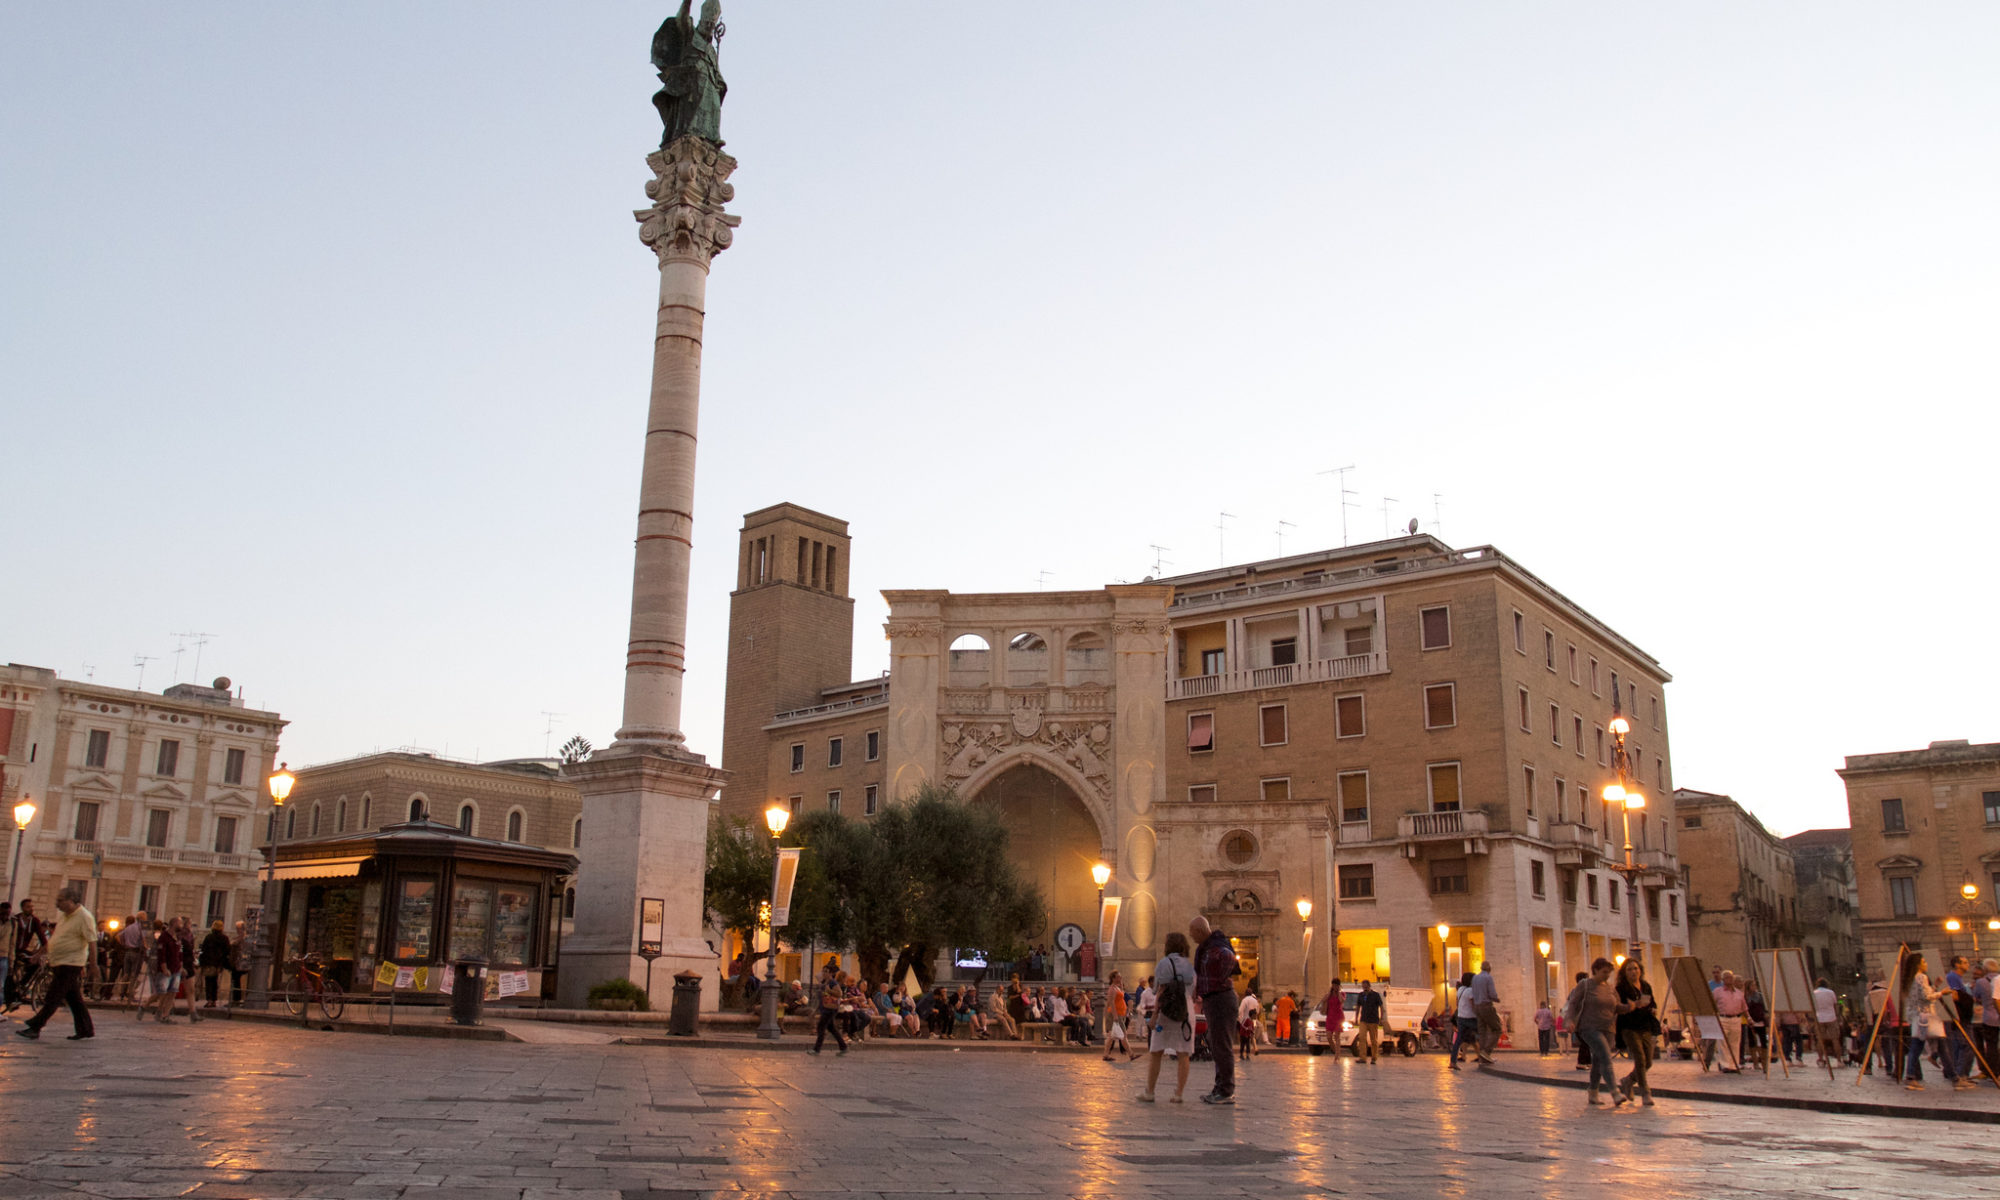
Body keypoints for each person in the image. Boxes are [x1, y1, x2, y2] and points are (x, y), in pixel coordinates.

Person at [14, 887, 96, 1041]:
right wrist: (39, 954)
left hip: (71, 963)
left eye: (60, 900)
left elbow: (92, 942)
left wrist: (93, 965)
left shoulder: (84, 917)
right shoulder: (65, 916)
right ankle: (86, 1029)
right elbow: (55, 939)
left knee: (53, 995)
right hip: (59, 962)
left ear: (71, 901)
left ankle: (35, 1027)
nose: (57, 904)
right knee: (74, 999)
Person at [1137, 931, 1196, 1104]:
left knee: (1156, 1051)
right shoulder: (1189, 965)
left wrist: (1154, 1015)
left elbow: (1159, 991)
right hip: (1185, 1011)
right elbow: (1193, 991)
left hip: (1166, 1011)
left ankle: (1150, 1091)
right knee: (1183, 1053)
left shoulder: (1164, 963)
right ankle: (1178, 1094)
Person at [1190, 915, 1240, 1105]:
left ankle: (1226, 1090)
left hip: (1221, 999)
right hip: (1214, 999)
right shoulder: (1207, 947)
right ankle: (1220, 1088)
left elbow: (1229, 958)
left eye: (1193, 932)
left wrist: (1219, 980)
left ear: (1201, 931)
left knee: (1222, 1045)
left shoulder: (1216, 947)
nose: (1191, 936)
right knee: (1215, 1043)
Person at [1564, 958, 1623, 1108]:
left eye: (1609, 973)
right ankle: (1615, 1092)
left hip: (1608, 1028)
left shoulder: (1610, 988)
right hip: (1589, 1027)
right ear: (1595, 970)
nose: (1607, 975)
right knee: (1605, 1056)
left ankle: (1593, 1092)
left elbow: (1617, 1007)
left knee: (1597, 1061)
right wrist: (1569, 1020)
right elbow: (1573, 1003)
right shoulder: (1585, 985)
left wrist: (1633, 1006)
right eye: (1604, 972)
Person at [1899, 952, 1955, 1090]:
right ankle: (1954, 1077)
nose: (1926, 964)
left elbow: (1922, 995)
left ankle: (1954, 1077)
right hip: (1925, 1017)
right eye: (1924, 962)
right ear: (1918, 964)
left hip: (1917, 1016)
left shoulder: (1911, 979)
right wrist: (1942, 992)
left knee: (1924, 1046)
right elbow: (1926, 997)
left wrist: (1935, 987)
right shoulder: (1921, 977)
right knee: (1921, 1046)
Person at [1614, 958, 1659, 1107]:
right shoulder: (1621, 988)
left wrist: (1652, 1008)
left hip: (1645, 1025)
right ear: (1624, 973)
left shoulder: (1645, 986)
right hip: (1629, 1026)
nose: (1634, 972)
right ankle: (1645, 1093)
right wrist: (1631, 1006)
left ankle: (1628, 1080)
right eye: (1630, 969)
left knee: (1648, 1062)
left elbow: (1652, 1002)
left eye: (1636, 968)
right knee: (1640, 1058)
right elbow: (1617, 1006)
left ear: (1640, 970)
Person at [1942, 956, 1978, 1087]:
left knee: (1966, 1046)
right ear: (1957, 965)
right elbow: (1954, 996)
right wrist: (1968, 998)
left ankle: (1963, 1075)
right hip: (1960, 1018)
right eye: (1964, 962)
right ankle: (1960, 1075)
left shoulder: (1958, 978)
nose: (1968, 964)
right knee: (1967, 1045)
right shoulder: (1953, 977)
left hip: (1964, 1017)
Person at [809, 966, 849, 1056]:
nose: (824, 973)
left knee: (821, 1027)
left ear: (831, 973)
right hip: (825, 1008)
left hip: (830, 1009)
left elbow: (839, 993)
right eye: (823, 971)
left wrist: (829, 991)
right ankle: (843, 1047)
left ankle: (816, 1049)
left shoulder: (832, 983)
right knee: (832, 1028)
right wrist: (816, 1010)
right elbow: (822, 998)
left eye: (826, 971)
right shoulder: (824, 982)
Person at [1713, 971, 1748, 1072]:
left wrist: (1749, 1018)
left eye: (1731, 977)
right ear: (1723, 980)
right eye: (1727, 977)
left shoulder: (1739, 993)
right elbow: (1712, 1003)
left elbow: (1744, 1007)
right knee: (1723, 1042)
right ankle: (1725, 1064)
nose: (1730, 979)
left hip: (1736, 1019)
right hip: (1723, 1018)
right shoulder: (1718, 991)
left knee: (1735, 1043)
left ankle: (1734, 1064)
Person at [1469, 960, 1502, 1062]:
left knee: (1482, 1031)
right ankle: (1486, 1052)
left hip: (1477, 1006)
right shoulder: (1488, 977)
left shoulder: (1475, 978)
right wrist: (1497, 999)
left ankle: (1483, 1057)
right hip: (1486, 1006)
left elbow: (1473, 993)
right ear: (1489, 968)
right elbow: (1492, 994)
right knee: (1497, 1028)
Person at [1103, 970, 1135, 1061]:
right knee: (1123, 1035)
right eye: (1118, 977)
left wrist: (1121, 987)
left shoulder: (1117, 988)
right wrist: (1115, 1016)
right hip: (1115, 1015)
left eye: (1120, 977)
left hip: (1120, 1014)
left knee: (1111, 1037)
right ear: (1113, 978)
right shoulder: (1112, 989)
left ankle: (1106, 1055)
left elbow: (1120, 998)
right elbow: (1111, 1003)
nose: (1120, 978)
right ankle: (1131, 1054)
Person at [198, 920, 231, 1008]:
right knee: (215, 982)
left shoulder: (209, 937)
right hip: (218, 963)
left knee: (209, 981)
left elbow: (203, 950)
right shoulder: (224, 938)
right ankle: (214, 1000)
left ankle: (209, 1000)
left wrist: (201, 962)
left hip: (209, 962)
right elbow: (227, 951)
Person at [1449, 971, 1478, 1070]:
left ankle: (1452, 1062)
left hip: (1461, 1018)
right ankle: (1485, 1056)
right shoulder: (1470, 991)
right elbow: (1473, 1004)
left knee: (1458, 1041)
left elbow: (1457, 1003)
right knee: (1483, 1033)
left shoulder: (1460, 990)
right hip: (1470, 1018)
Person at [1977, 959, 2000, 1082]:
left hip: (1989, 1018)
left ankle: (1993, 1071)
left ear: (1985, 969)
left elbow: (1976, 997)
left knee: (1991, 1045)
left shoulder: (1981, 982)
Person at [1811, 976, 1842, 1067]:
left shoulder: (1814, 993)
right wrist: (1837, 1016)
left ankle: (1821, 1059)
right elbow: (1835, 1005)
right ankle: (1839, 1061)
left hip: (1819, 1018)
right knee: (1835, 1039)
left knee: (1820, 1040)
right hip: (1831, 1017)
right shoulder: (1831, 993)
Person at [1355, 979, 1386, 1064]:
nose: (1364, 988)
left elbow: (1381, 1007)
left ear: (1369, 986)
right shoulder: (1361, 995)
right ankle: (1362, 1057)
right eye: (1363, 987)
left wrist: (1381, 1018)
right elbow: (1358, 1007)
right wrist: (1356, 1018)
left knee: (1373, 1040)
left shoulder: (1375, 995)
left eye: (1366, 986)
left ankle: (1374, 1057)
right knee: (1362, 1038)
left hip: (1373, 1020)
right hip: (1363, 1020)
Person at [1237, 989, 1262, 1061]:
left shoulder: (1245, 1000)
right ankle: (1255, 1047)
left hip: (1245, 1019)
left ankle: (1243, 1053)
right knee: (1252, 1033)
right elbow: (1257, 1011)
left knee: (1244, 1039)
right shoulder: (1255, 1000)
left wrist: (1239, 1018)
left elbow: (1240, 1010)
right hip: (1253, 1019)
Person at [0, 901, 13, 1012]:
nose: (5, 916)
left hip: (4, 956)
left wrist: (11, 961)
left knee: (1, 986)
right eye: (3, 913)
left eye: (7, 913)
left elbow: (12, 943)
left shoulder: (12, 923)